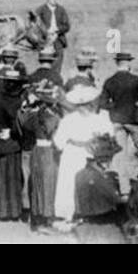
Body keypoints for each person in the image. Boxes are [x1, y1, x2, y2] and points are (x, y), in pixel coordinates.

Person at [52, 84, 114, 227]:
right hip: (92, 153)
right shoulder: (100, 119)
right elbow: (110, 136)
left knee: (68, 183)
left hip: (72, 152)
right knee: (90, 180)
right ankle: (91, 211)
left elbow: (58, 142)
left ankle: (69, 214)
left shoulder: (67, 120)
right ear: (91, 103)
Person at [99, 50, 138, 190]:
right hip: (134, 120)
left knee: (120, 155)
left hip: (117, 121)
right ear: (128, 63)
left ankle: (124, 187)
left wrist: (114, 106)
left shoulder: (110, 81)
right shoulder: (135, 79)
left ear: (117, 63)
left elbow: (102, 103)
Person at [72, 134, 127, 241]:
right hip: (103, 223)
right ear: (105, 162)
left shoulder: (80, 174)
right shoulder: (102, 178)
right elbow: (115, 200)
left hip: (85, 221)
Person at [0, 125, 25, 222]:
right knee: (12, 179)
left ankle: (3, 212)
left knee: (3, 179)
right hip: (10, 138)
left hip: (3, 134)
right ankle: (13, 212)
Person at [35, 0, 70, 70]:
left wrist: (58, 30)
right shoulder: (41, 10)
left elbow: (67, 26)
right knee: (45, 61)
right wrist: (45, 32)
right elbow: (35, 25)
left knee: (58, 61)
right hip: (45, 39)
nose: (54, 0)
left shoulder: (61, 10)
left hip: (58, 38)